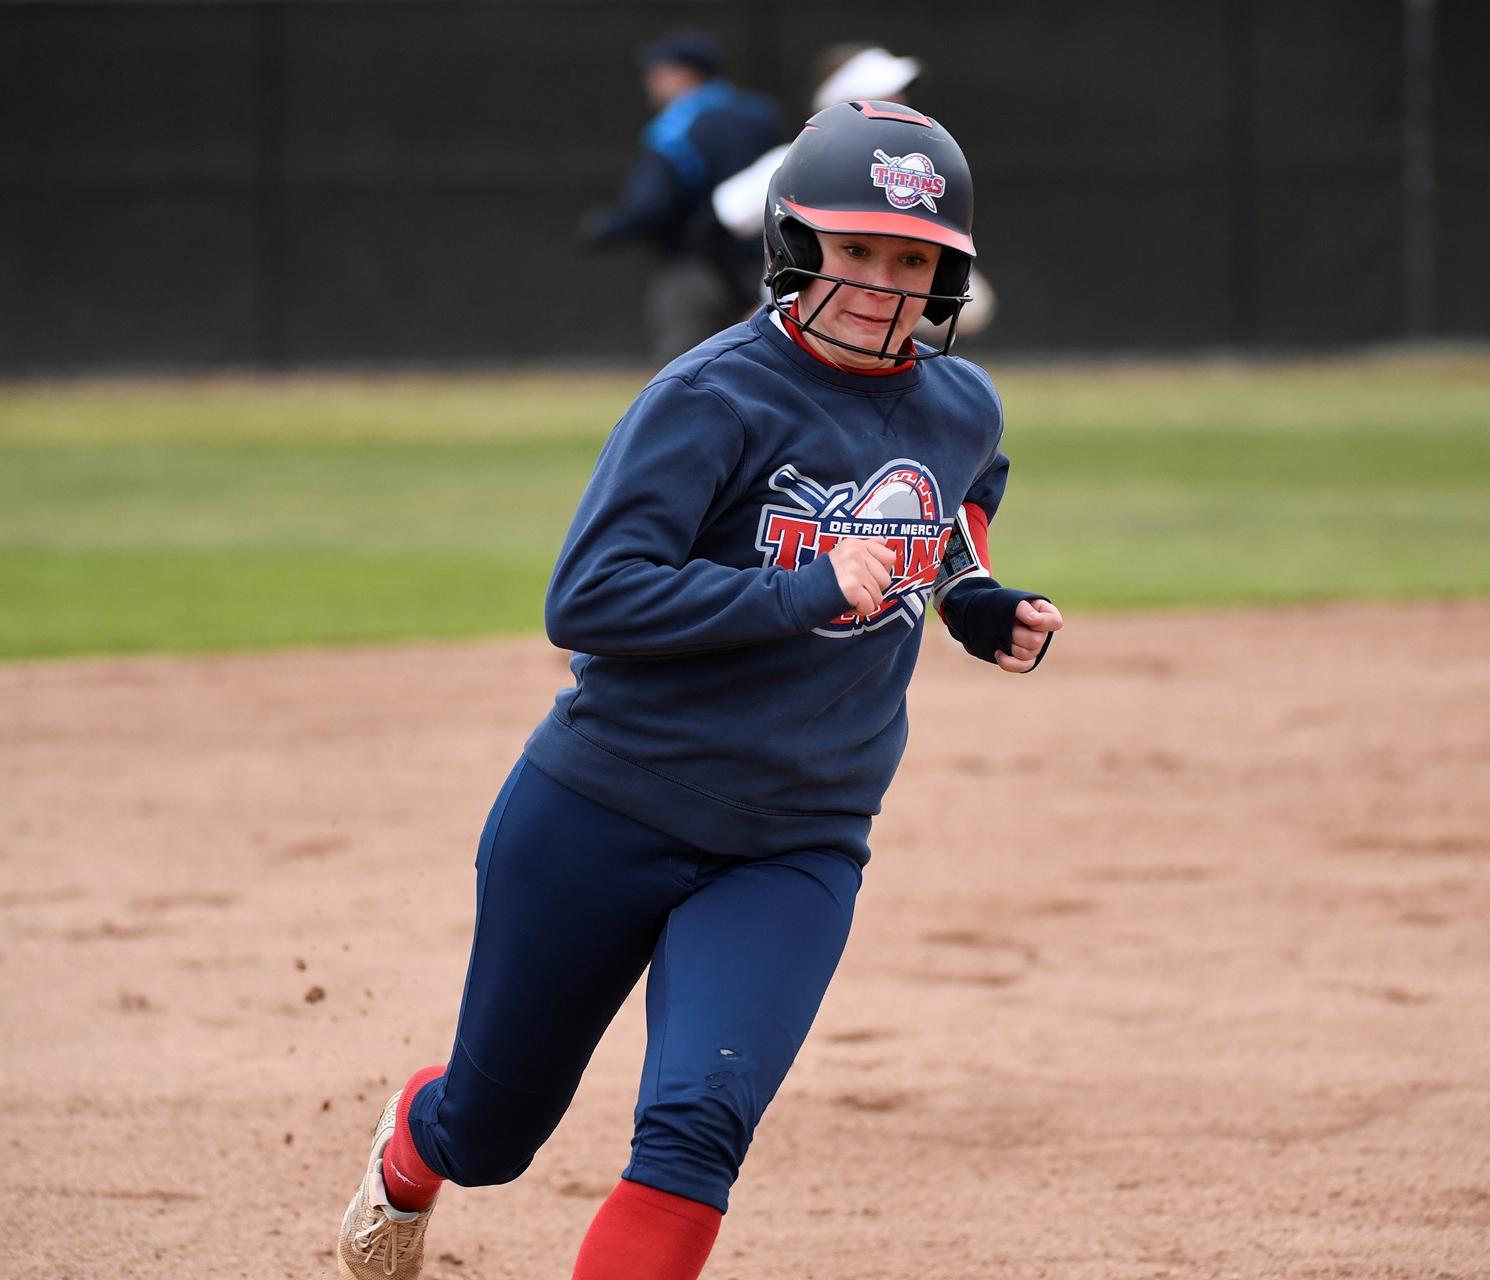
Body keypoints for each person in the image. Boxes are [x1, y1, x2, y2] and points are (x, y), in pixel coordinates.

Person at [336, 99, 1063, 1280]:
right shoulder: (712, 395)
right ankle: (418, 1142)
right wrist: (800, 594)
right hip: (606, 807)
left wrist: (973, 599)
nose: (885, 281)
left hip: (800, 836)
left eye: (915, 257)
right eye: (860, 247)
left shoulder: (958, 400)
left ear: (949, 272)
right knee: (494, 1132)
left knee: (694, 1130)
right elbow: (590, 597)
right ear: (796, 245)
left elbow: (957, 500)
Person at [711, 44, 1000, 345]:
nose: (899, 103)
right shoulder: (800, 161)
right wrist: (745, 298)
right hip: (792, 316)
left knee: (970, 305)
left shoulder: (913, 171)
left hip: (874, 321)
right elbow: (717, 222)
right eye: (885, 95)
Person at [580, 27, 782, 364]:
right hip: (765, 268)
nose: (651, 80)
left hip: (695, 270)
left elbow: (651, 207)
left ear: (686, 73)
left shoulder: (676, 126)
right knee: (761, 368)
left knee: (684, 374)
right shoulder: (760, 116)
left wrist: (604, 228)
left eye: (659, 70)